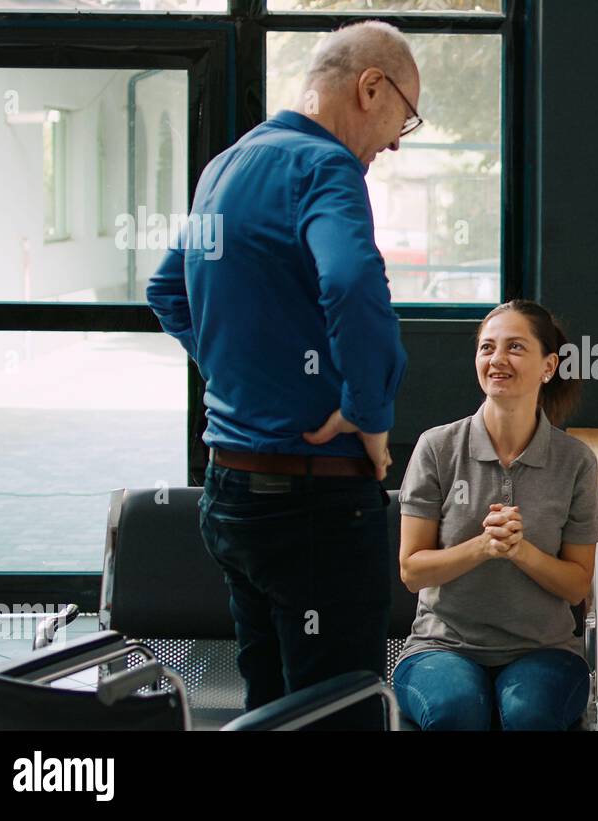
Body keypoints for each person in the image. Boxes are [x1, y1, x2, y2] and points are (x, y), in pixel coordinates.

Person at [146, 20, 418, 729]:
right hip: (314, 505)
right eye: (403, 119)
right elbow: (355, 282)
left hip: (230, 494)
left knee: (269, 709)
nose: (394, 142)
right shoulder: (324, 168)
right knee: (340, 710)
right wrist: (368, 409)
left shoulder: (226, 167)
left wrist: (240, 376)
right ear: (370, 87)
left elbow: (166, 288)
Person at [393, 299, 598, 730]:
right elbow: (413, 571)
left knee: (531, 716)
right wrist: (482, 547)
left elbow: (577, 584)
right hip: (441, 647)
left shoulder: (576, 461)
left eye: (515, 347)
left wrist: (519, 551)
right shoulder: (436, 447)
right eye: (487, 348)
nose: (497, 359)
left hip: (544, 649)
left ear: (549, 366)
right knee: (458, 713)